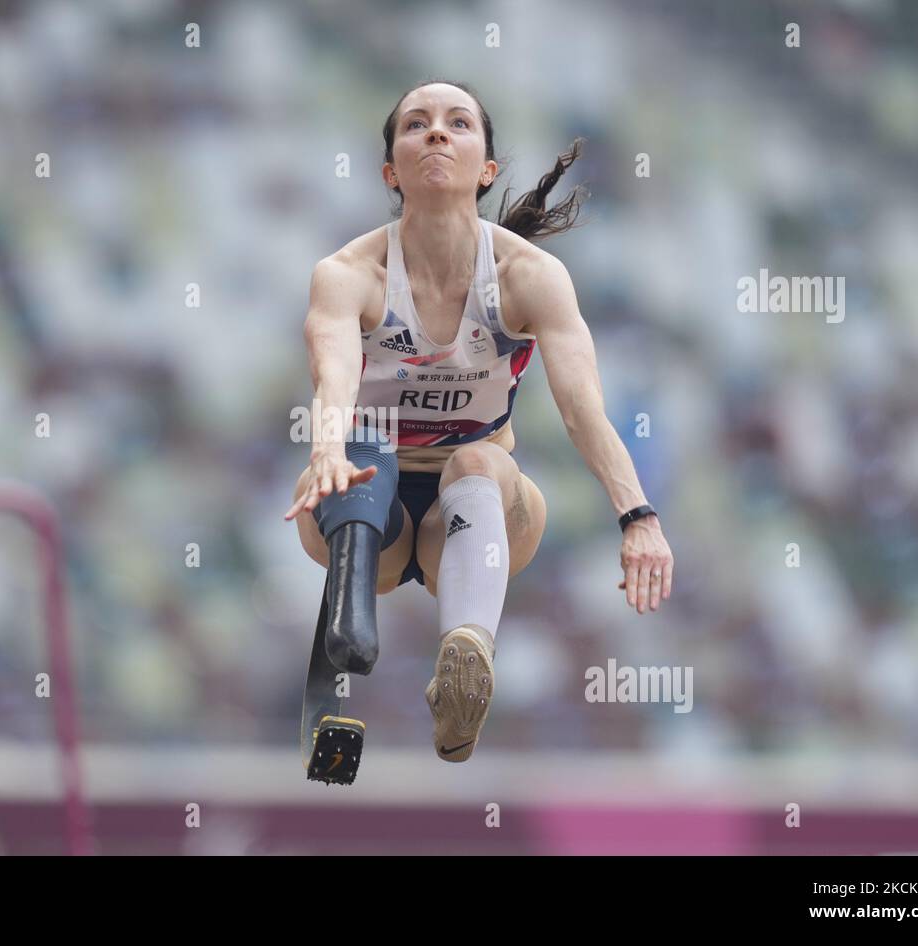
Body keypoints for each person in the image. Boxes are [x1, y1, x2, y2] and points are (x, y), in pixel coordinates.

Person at [284, 79, 674, 763]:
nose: (436, 132)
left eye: (458, 123)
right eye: (417, 125)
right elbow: (334, 376)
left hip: (477, 514)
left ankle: (466, 655)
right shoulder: (348, 274)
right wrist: (324, 451)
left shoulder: (531, 276)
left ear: (487, 169)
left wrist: (637, 514)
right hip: (359, 505)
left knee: (482, 461)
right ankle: (352, 611)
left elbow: (582, 409)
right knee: (362, 444)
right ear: (390, 171)